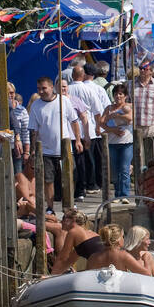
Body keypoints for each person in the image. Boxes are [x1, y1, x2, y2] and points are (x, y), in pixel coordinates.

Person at [27, 77, 83, 207]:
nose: (41, 91)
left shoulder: (64, 101)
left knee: (68, 177)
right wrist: (33, 150)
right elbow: (33, 130)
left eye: (44, 88)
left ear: (52, 88)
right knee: (48, 180)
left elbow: (74, 121)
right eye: (39, 89)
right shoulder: (36, 105)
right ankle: (50, 207)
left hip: (64, 148)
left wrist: (78, 140)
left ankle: (69, 203)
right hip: (46, 150)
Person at [67, 64, 107, 194]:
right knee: (89, 160)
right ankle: (90, 184)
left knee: (75, 160)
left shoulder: (67, 90)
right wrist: (98, 127)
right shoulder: (90, 90)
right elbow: (97, 111)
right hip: (87, 128)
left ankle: (78, 186)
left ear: (72, 76)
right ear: (82, 75)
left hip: (70, 130)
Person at [99, 84, 134, 203]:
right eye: (116, 94)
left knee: (124, 168)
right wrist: (112, 130)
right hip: (112, 142)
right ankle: (117, 194)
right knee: (114, 170)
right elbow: (102, 122)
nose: (118, 96)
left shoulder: (128, 107)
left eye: (120, 94)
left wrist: (116, 115)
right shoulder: (109, 107)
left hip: (126, 142)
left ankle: (124, 194)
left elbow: (130, 118)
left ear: (125, 96)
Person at [48, 209, 106, 274]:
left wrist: (51, 275)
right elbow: (70, 260)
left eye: (63, 219)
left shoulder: (73, 232)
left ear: (70, 220)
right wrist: (57, 274)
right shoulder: (88, 233)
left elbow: (62, 257)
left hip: (99, 269)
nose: (61, 222)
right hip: (105, 266)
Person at [86, 224, 154, 274]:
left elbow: (88, 276)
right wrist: (146, 259)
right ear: (118, 240)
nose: (124, 239)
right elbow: (146, 274)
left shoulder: (93, 257)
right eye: (122, 237)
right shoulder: (123, 255)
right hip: (119, 291)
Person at [131, 60, 154, 141]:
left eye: (145, 68)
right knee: (137, 153)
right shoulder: (131, 84)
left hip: (153, 126)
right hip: (135, 126)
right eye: (141, 68)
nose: (142, 70)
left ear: (151, 71)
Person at [7, 83, 31, 181]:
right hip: (3, 147)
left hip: (17, 148)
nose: (10, 95)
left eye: (12, 92)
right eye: (7, 93)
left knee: (18, 176)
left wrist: (26, 152)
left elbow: (26, 132)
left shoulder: (22, 110)